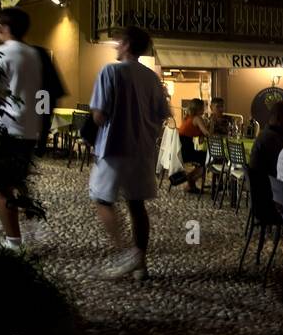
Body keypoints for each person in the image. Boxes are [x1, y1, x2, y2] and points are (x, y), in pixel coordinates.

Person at [88, 26, 171, 280]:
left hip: (113, 147)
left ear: (125, 44)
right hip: (143, 149)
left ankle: (126, 254)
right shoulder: (151, 77)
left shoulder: (110, 71)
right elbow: (162, 114)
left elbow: (99, 115)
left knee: (103, 200)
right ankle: (141, 265)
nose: (115, 45)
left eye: (118, 42)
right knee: (137, 205)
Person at [0, 8, 44, 250]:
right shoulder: (33, 55)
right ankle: (30, 229)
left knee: (3, 188)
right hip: (28, 128)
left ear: (5, 28)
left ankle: (13, 242)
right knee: (17, 182)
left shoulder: (0, 54)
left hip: (5, 127)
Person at [249, 100, 283, 179]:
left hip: (258, 184)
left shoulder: (266, 133)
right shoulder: (273, 139)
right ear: (279, 118)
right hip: (265, 186)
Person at [176, 99, 212, 193]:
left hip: (182, 150)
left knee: (205, 158)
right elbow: (207, 133)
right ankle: (190, 180)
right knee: (209, 159)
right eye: (204, 107)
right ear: (199, 108)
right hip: (187, 151)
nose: (205, 108)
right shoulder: (197, 118)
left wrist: (201, 135)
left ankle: (190, 183)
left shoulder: (188, 117)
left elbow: (200, 133)